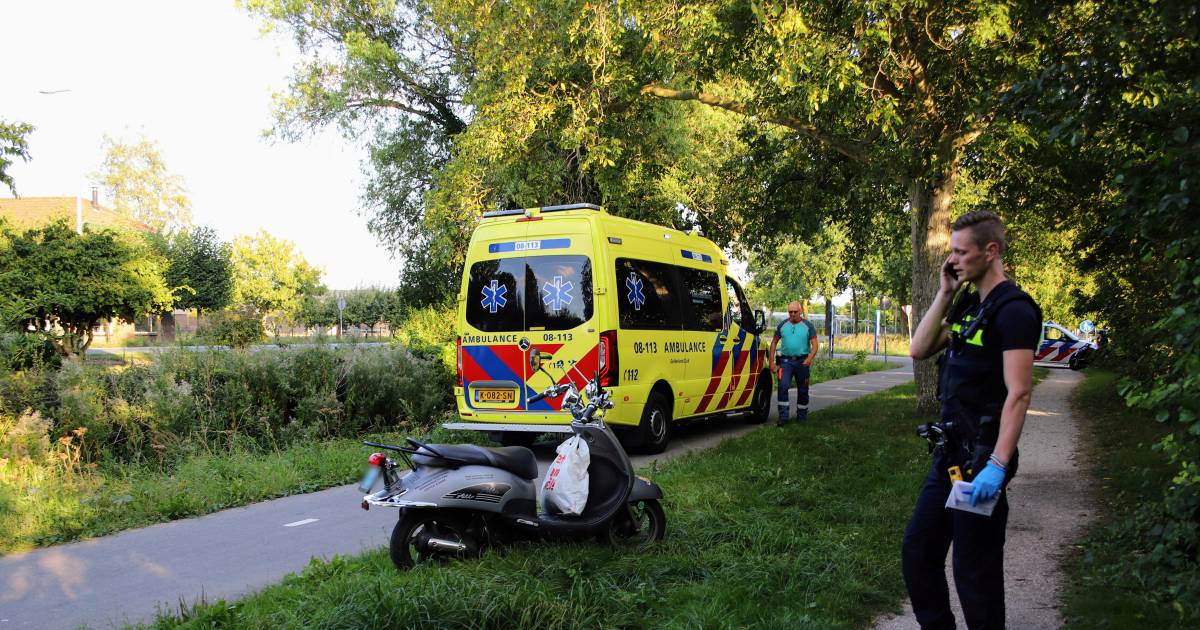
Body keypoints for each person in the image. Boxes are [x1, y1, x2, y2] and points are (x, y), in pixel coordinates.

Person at [904, 210, 1042, 629]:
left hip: (983, 458)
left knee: (974, 570)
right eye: (951, 252)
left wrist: (997, 466)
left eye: (961, 253)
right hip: (950, 455)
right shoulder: (967, 305)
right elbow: (919, 348)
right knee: (919, 552)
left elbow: (1018, 393)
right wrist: (945, 292)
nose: (954, 260)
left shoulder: (1014, 311)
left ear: (991, 250)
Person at [769, 301, 819, 426]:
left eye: (795, 312)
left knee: (803, 390)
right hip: (785, 362)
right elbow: (774, 342)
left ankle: (801, 417)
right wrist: (771, 362)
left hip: (802, 362)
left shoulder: (808, 326)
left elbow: (815, 345)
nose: (792, 314)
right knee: (783, 387)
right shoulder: (782, 325)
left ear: (800, 311)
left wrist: (809, 359)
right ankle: (783, 418)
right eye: (790, 312)